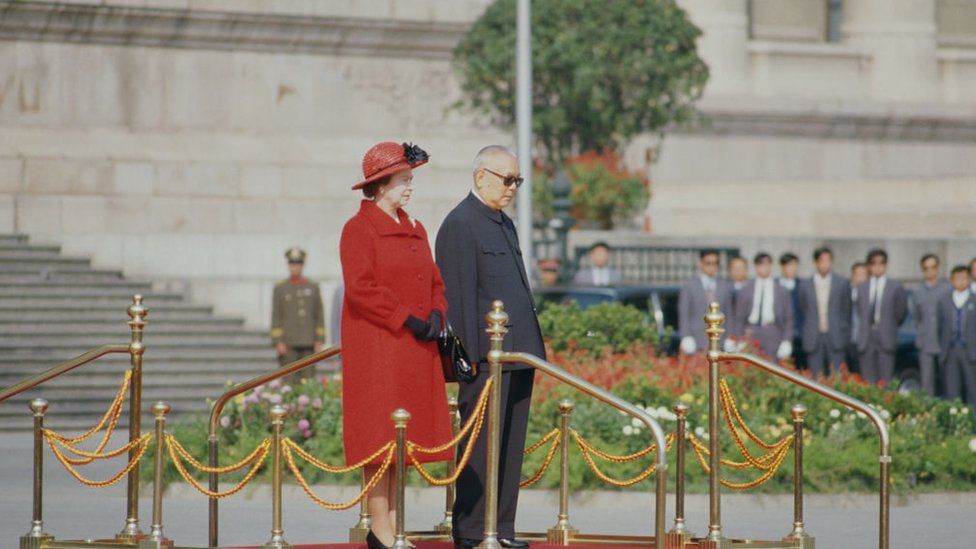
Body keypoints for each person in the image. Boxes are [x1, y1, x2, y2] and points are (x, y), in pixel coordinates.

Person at [339, 141, 453, 549]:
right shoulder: (359, 228)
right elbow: (361, 289)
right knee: (379, 440)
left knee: (401, 441)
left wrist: (437, 314)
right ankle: (380, 527)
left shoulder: (415, 227)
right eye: (404, 180)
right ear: (381, 185)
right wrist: (407, 318)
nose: (409, 188)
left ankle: (390, 524)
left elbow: (435, 281)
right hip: (380, 351)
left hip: (413, 348)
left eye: (409, 180)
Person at [435, 145, 544, 549]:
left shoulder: (503, 223)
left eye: (518, 180)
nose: (513, 187)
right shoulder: (461, 224)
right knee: (480, 448)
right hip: (486, 358)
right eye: (506, 179)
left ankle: (501, 529)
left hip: (517, 354)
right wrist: (468, 360)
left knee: (510, 448)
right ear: (481, 176)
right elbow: (458, 297)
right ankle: (472, 530)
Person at [270, 247, 325, 383]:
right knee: (289, 380)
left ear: (302, 265)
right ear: (289, 265)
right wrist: (278, 341)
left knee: (309, 380)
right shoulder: (281, 288)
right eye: (293, 264)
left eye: (298, 264)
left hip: (308, 341)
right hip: (289, 342)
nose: (295, 267)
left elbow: (319, 314)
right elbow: (276, 315)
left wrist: (319, 339)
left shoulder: (312, 287)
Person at [855, 249, 907, 385]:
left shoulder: (895, 287)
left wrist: (887, 326)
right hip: (866, 339)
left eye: (881, 263)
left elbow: (900, 313)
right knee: (867, 382)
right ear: (869, 266)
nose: (877, 267)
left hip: (886, 338)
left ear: (885, 265)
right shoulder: (862, 287)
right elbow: (860, 311)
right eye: (873, 263)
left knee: (885, 381)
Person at [797, 247, 851, 377]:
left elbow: (846, 310)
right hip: (813, 337)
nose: (825, 264)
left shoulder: (842, 283)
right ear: (816, 263)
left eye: (828, 261)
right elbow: (802, 310)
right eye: (822, 261)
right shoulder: (805, 285)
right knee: (816, 378)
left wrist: (844, 333)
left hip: (836, 336)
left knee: (837, 377)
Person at [731, 252, 794, 360]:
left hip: (773, 332)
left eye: (767, 264)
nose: (764, 267)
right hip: (751, 331)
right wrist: (738, 339)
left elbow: (788, 318)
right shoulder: (746, 289)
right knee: (750, 367)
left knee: (772, 368)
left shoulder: (781, 290)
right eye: (761, 264)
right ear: (756, 266)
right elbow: (738, 317)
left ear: (771, 266)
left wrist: (787, 340)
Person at [678, 249, 733, 354]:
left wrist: (730, 336)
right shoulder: (690, 286)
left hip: (720, 341)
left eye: (715, 263)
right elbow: (684, 313)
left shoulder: (724, 286)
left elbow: (728, 314)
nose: (712, 267)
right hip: (697, 340)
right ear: (701, 264)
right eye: (708, 263)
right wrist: (686, 336)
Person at [937, 265, 976, 406]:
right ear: (952, 280)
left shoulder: (974, 300)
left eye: (964, 278)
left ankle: (973, 425)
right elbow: (939, 327)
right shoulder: (944, 301)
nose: (961, 281)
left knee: (972, 390)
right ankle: (954, 425)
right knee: (951, 391)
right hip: (950, 351)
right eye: (957, 278)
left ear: (969, 280)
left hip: (970, 352)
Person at [914, 254, 950, 396]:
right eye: (926, 268)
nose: (930, 271)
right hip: (926, 342)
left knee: (947, 380)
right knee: (926, 381)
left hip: (945, 342)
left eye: (933, 267)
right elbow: (917, 318)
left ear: (938, 268)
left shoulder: (947, 289)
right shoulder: (918, 291)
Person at [848, 262, 869, 372]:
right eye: (857, 275)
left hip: (866, 343)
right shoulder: (846, 293)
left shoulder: (871, 295)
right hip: (848, 342)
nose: (860, 278)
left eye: (863, 275)